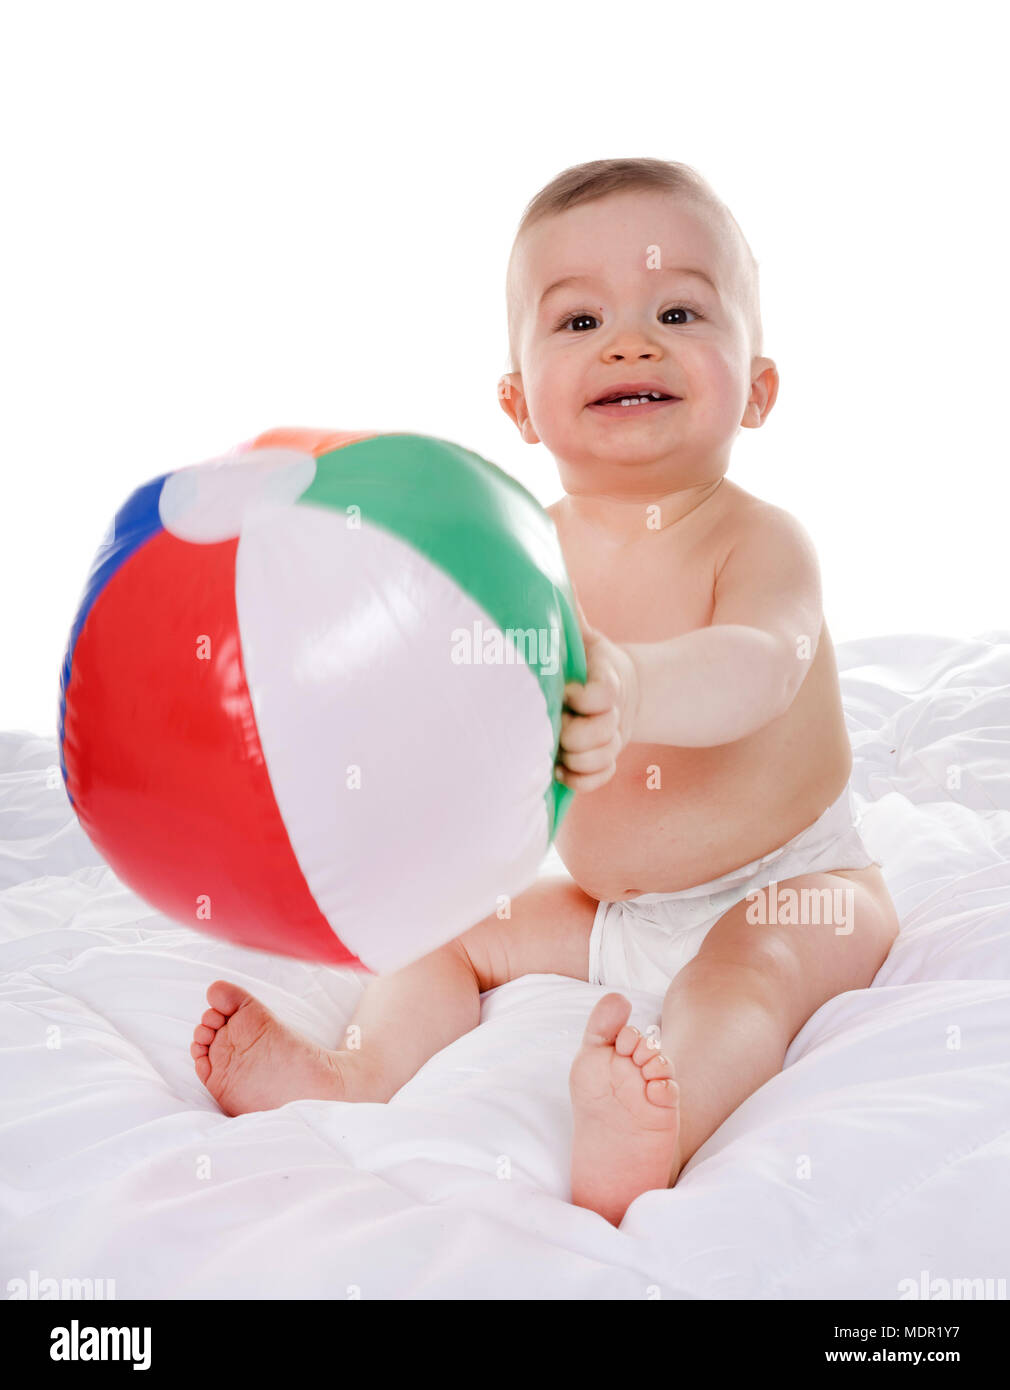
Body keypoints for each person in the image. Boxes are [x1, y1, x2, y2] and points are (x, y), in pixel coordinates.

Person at [191, 157, 899, 1227]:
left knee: (740, 978)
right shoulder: (525, 553)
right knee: (443, 928)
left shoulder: (755, 540)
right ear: (518, 403)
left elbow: (762, 662)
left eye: (675, 309)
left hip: (794, 883)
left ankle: (660, 1122)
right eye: (578, 322)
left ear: (755, 384)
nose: (628, 341)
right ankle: (359, 1069)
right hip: (612, 906)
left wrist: (634, 682)